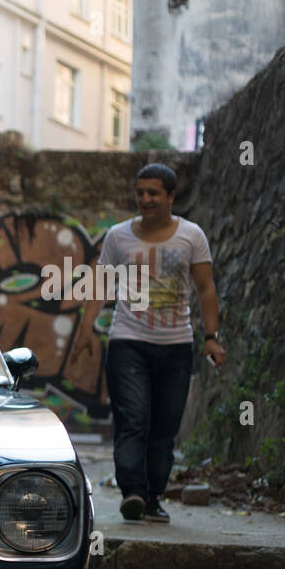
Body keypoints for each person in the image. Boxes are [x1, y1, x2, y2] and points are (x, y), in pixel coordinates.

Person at [92, 163, 225, 523]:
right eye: (140, 193)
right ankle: (132, 491)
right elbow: (101, 285)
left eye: (153, 193)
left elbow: (205, 289)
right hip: (128, 341)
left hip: (176, 346)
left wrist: (211, 338)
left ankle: (152, 498)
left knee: (165, 428)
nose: (145, 199)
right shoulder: (118, 237)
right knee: (132, 419)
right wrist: (87, 336)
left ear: (170, 196)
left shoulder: (191, 236)